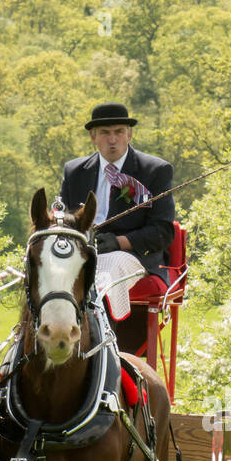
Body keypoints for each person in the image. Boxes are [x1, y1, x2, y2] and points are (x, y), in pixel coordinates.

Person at [59, 102, 175, 356]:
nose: (113, 140)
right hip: (83, 250)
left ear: (130, 134)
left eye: (119, 132)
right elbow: (63, 218)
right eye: (105, 133)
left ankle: (102, 345)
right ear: (93, 137)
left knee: (108, 267)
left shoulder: (155, 171)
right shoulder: (75, 171)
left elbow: (163, 232)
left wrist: (119, 241)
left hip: (133, 256)